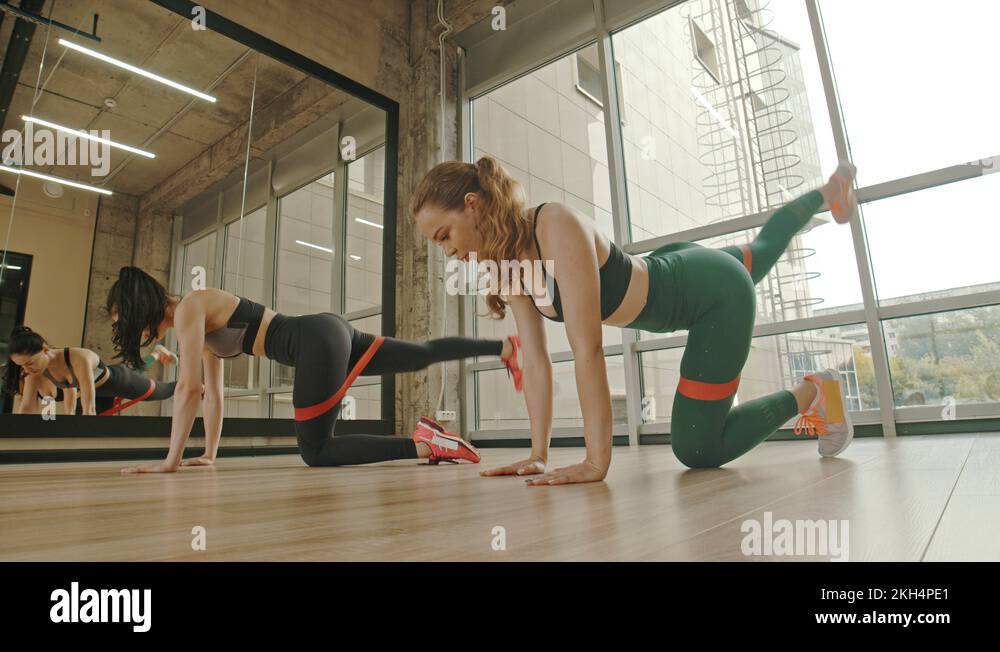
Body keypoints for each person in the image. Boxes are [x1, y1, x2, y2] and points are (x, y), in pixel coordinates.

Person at [411, 155, 858, 485]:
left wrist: (595, 463)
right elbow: (537, 363)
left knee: (698, 449)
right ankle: (831, 191)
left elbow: (587, 352)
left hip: (711, 295)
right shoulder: (505, 262)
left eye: (443, 235)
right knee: (760, 251)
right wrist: (538, 453)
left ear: (472, 205)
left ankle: (815, 391)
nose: (446, 250)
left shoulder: (554, 226)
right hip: (675, 267)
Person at [104, 267, 521, 473]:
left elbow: (187, 391)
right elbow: (211, 393)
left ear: (136, 309)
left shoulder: (189, 310)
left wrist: (170, 462)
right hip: (324, 331)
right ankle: (504, 347)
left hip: (314, 342)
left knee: (316, 451)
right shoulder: (194, 320)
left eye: (118, 315)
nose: (116, 325)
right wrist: (209, 454)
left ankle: (428, 444)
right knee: (417, 354)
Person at [2, 325, 176, 415]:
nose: (26, 370)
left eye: (29, 363)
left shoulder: (77, 358)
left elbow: (88, 404)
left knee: (161, 391)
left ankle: (189, 384)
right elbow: (27, 409)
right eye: (22, 366)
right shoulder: (34, 373)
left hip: (116, 382)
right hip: (96, 397)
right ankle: (156, 353)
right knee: (136, 368)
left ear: (45, 350)